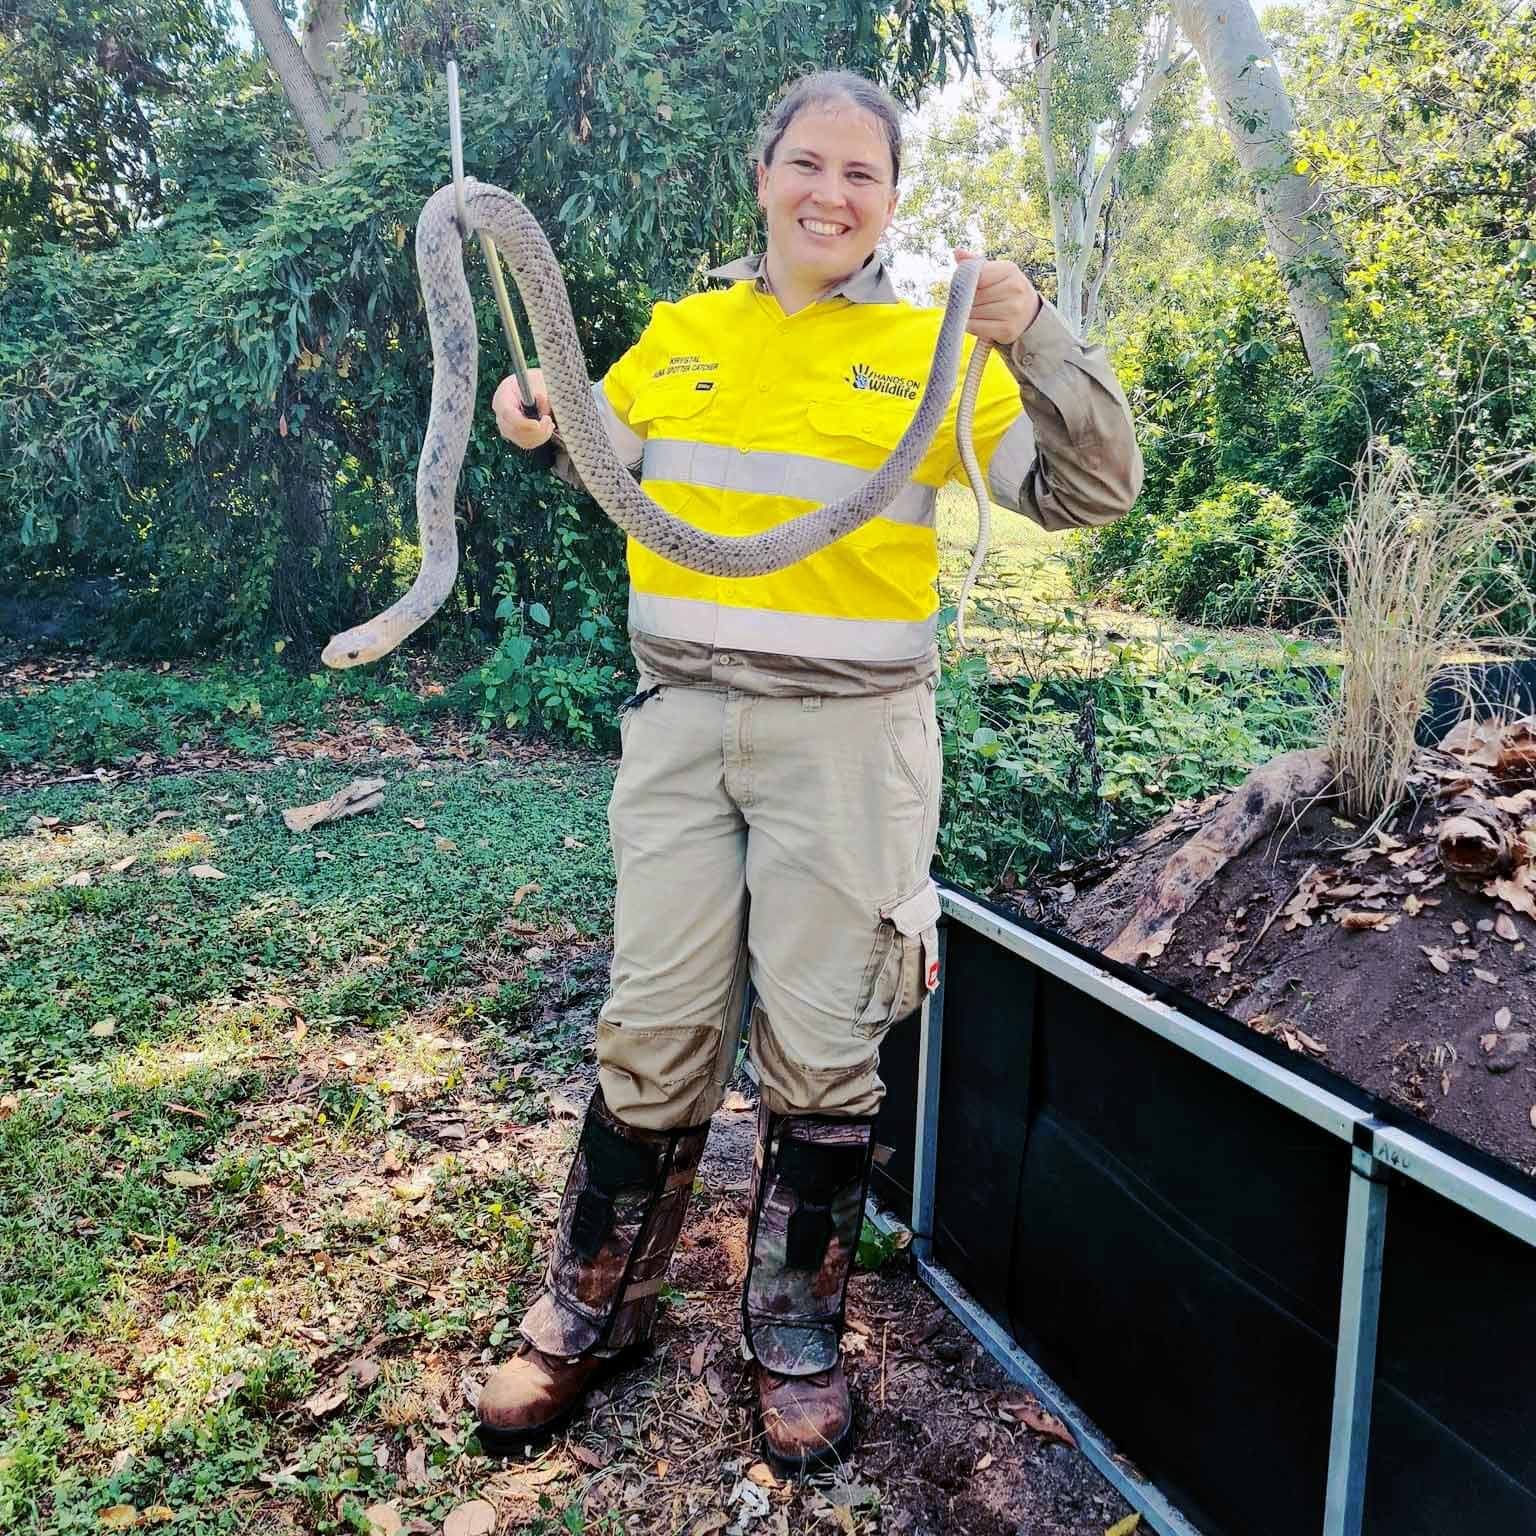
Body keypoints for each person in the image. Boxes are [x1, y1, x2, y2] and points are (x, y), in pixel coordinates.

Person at [477, 69, 1142, 1471]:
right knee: (650, 1021)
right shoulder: (685, 329)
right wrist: (537, 414)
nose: (832, 194)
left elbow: (1085, 494)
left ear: (893, 202)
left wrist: (1037, 335)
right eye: (809, 165)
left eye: (864, 174)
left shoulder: (935, 350)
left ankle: (794, 1329)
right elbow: (599, 444)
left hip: (851, 738)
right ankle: (593, 1307)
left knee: (830, 1041)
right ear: (763, 175)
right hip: (679, 726)